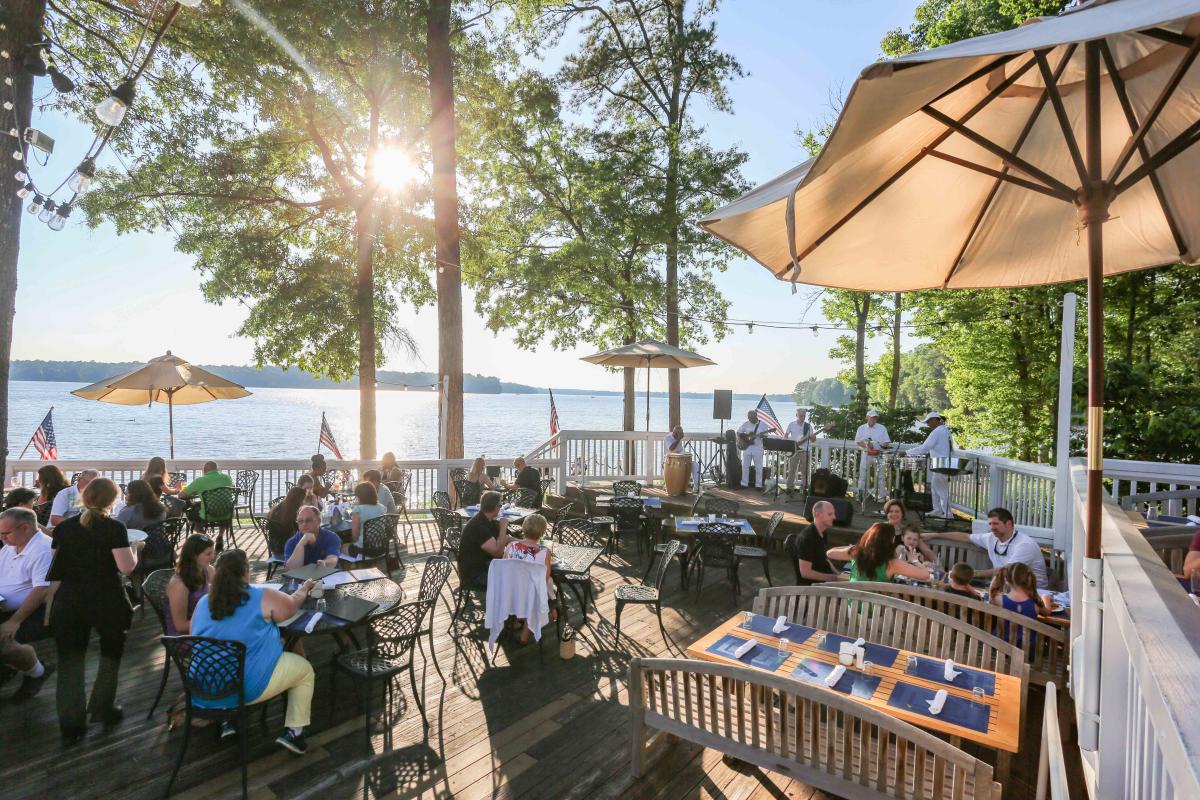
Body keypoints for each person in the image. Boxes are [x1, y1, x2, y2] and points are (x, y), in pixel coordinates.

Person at [190, 549, 317, 754]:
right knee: (305, 670)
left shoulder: (203, 602)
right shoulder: (260, 595)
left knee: (227, 659)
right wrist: (305, 588)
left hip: (204, 686)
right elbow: (292, 605)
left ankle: (226, 719)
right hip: (244, 688)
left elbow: (195, 639)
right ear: (246, 572)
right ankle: (295, 732)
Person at [46, 478, 143, 744]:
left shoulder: (64, 528)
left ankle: (71, 726)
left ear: (85, 497)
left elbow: (57, 562)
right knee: (110, 654)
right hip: (107, 599)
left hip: (70, 601)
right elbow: (125, 568)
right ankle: (102, 708)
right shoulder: (114, 527)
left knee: (70, 662)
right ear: (112, 500)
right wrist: (135, 550)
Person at [0, 508, 55, 701]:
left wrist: (15, 621)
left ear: (25, 528)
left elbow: (41, 591)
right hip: (5, 606)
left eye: (5, 533)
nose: (2, 538)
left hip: (31, 612)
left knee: (2, 643)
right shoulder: (12, 544)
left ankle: (38, 671)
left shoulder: (42, 549)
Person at [931, 506, 1049, 588]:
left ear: (1009, 524)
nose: (992, 528)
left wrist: (971, 574)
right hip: (1004, 586)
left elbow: (1005, 571)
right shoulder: (991, 538)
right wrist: (933, 535)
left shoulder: (1024, 544)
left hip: (1032, 592)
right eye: (990, 524)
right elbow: (965, 537)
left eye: (996, 524)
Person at [502, 513, 556, 643]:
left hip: (509, 593)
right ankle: (525, 632)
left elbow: (504, 570)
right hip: (529, 597)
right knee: (543, 589)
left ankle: (517, 618)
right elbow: (543, 579)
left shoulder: (510, 547)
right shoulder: (544, 552)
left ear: (523, 528)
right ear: (542, 533)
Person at [826, 522, 933, 583]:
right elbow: (925, 575)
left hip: (853, 609)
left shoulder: (856, 553)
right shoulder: (892, 563)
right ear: (890, 540)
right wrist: (914, 559)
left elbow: (830, 553)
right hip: (878, 614)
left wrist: (858, 546)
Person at [458, 491, 513, 589]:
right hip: (474, 575)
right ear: (495, 507)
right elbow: (498, 552)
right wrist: (503, 527)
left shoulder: (488, 520)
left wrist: (527, 543)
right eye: (500, 505)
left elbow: (505, 539)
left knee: (515, 568)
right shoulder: (478, 526)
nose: (501, 508)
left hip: (485, 565)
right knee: (514, 577)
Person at [903, 412, 953, 517]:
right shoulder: (945, 430)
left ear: (935, 420)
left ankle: (948, 513)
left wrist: (908, 452)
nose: (927, 424)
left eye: (928, 421)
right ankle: (938, 510)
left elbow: (925, 447)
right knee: (935, 486)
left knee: (941, 488)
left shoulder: (938, 431)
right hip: (943, 463)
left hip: (941, 464)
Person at [164, 534, 216, 636]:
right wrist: (213, 620)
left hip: (204, 624)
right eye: (208, 554)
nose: (212, 557)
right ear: (193, 556)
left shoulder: (208, 570)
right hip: (185, 637)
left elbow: (223, 591)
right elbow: (181, 626)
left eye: (213, 552)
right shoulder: (179, 584)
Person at [787, 500, 847, 585]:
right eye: (830, 514)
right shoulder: (807, 538)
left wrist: (838, 574)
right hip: (812, 588)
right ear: (817, 514)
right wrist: (832, 578)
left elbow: (825, 559)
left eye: (833, 514)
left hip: (823, 582)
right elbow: (805, 573)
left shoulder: (823, 532)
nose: (834, 517)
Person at [989, 563, 1048, 645]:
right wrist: (1045, 598)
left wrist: (996, 578)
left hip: (1001, 647)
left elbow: (991, 595)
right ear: (1028, 580)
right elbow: (1047, 613)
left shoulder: (999, 600)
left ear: (1007, 580)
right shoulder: (1035, 603)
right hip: (1026, 650)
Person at [181, 462, 234, 526]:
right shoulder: (227, 478)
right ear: (217, 469)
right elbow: (233, 489)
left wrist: (195, 492)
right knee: (219, 505)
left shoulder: (200, 481)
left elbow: (181, 495)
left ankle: (204, 535)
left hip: (208, 516)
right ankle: (220, 535)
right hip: (227, 514)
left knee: (191, 514)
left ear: (204, 470)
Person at [854, 409, 891, 501]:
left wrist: (881, 446)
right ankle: (860, 496)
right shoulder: (861, 428)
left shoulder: (882, 428)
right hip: (866, 454)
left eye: (875, 418)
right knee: (862, 476)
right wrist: (867, 446)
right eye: (871, 417)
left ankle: (881, 497)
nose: (873, 419)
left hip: (878, 454)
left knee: (881, 476)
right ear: (867, 417)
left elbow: (886, 442)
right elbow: (858, 442)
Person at [267, 487, 311, 558]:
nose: (304, 502)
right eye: (303, 500)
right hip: (285, 548)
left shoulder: (279, 508)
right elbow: (302, 530)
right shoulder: (293, 514)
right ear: (298, 500)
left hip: (274, 546)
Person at [784, 409, 817, 493]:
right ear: (796, 415)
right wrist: (786, 445)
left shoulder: (808, 426)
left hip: (804, 451)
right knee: (791, 470)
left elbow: (813, 440)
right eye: (800, 415)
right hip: (794, 450)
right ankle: (789, 487)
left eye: (804, 416)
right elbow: (786, 435)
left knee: (805, 471)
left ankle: (803, 488)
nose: (802, 417)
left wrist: (813, 437)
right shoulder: (791, 424)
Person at [348, 481, 386, 549]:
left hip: (364, 549)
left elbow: (355, 536)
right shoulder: (382, 507)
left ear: (360, 497)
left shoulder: (358, 510)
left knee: (341, 546)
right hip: (380, 546)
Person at [737, 410, 768, 489]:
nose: (750, 419)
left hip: (758, 448)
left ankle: (758, 485)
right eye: (749, 418)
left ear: (756, 416)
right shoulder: (746, 424)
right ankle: (744, 484)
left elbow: (766, 436)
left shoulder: (763, 425)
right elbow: (738, 432)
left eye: (752, 418)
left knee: (758, 467)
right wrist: (744, 439)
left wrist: (761, 436)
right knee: (745, 466)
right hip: (747, 448)